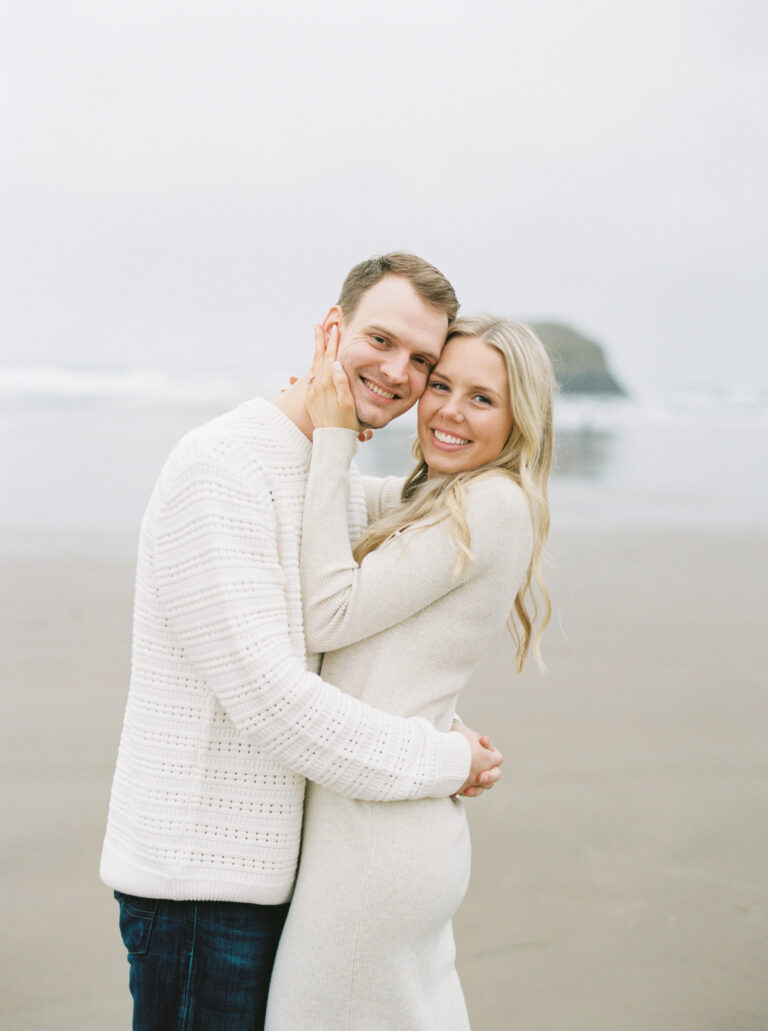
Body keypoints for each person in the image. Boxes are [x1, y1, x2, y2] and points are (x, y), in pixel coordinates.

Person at [100, 253, 504, 1031]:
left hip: (277, 881)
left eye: (423, 360)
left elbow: (436, 522)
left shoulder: (328, 478)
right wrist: (443, 759)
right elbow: (274, 704)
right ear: (331, 329)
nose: (398, 372)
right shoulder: (221, 468)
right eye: (381, 340)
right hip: (200, 894)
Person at [265, 314, 555, 1030]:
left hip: (379, 846)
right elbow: (331, 505)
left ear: (521, 417)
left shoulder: (490, 503)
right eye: (442, 385)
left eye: (482, 398)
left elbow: (328, 613)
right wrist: (316, 411)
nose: (450, 411)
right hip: (379, 822)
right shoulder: (439, 500)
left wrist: (335, 437)